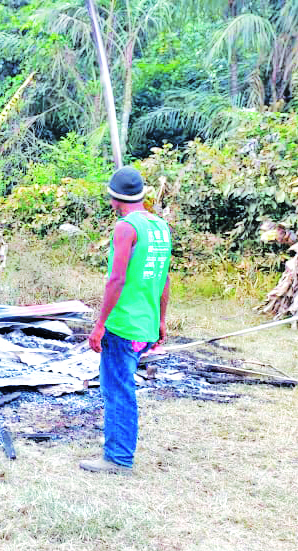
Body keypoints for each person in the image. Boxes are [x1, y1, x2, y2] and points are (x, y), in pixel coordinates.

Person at [80, 166, 172, 475]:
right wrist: (160, 320)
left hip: (123, 325)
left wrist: (99, 323)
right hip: (145, 323)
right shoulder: (160, 227)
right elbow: (164, 278)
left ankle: (118, 458)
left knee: (118, 390)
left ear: (113, 197)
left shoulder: (125, 228)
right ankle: (119, 450)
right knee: (123, 387)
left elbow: (116, 278)